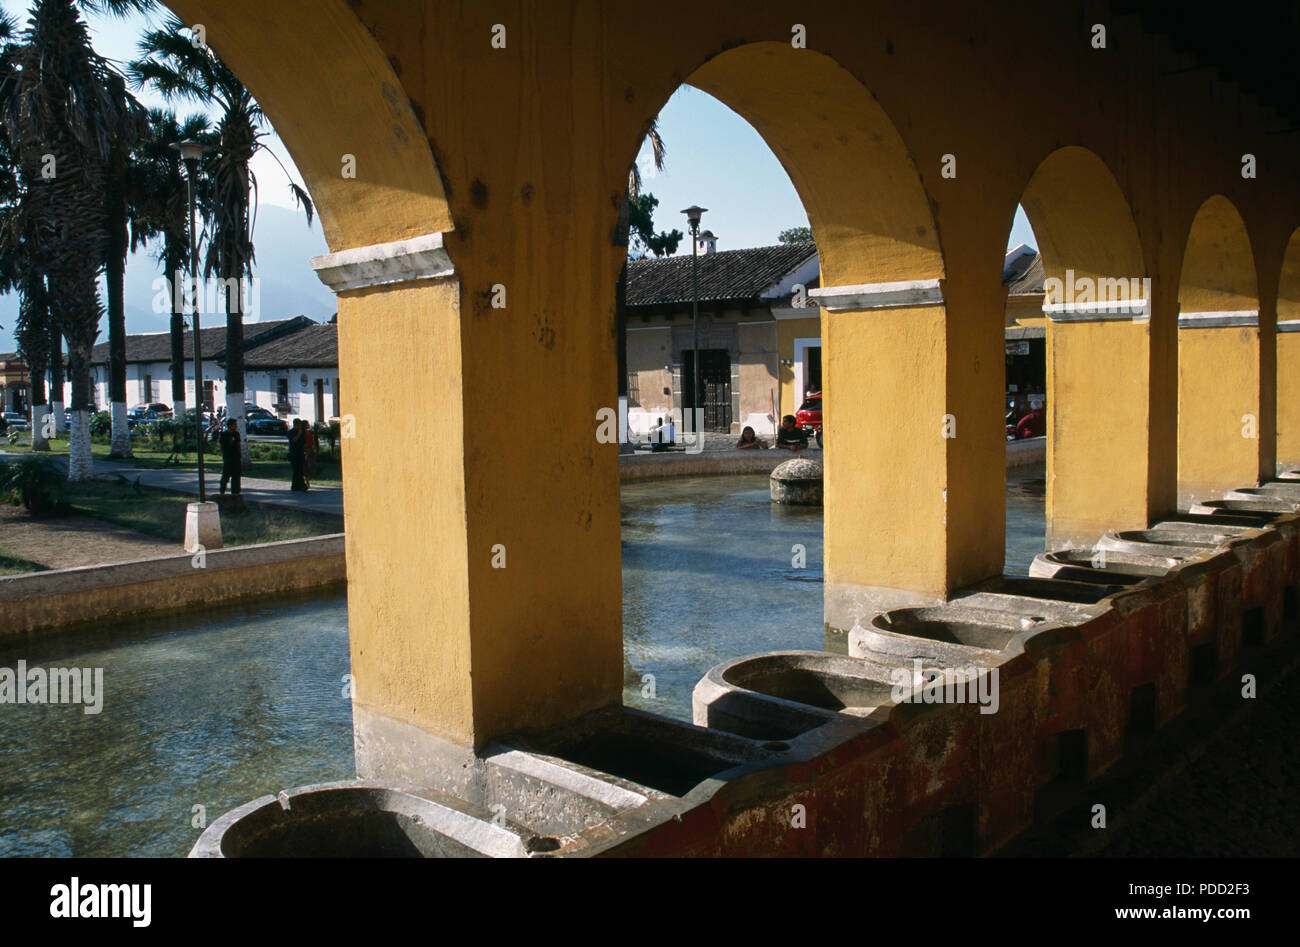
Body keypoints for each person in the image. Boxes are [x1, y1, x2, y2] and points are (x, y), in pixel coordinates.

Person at [218, 419, 242, 496]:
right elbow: (221, 446)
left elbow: (238, 444)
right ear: (230, 425)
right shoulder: (224, 434)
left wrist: (239, 454)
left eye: (236, 424)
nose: (235, 426)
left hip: (236, 457)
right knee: (226, 475)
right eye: (234, 424)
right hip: (228, 457)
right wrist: (224, 455)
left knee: (236, 475)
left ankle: (236, 492)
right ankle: (222, 490)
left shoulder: (236, 434)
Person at [288, 419, 307, 491]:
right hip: (293, 454)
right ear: (295, 425)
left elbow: (304, 443)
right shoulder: (291, 432)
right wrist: (298, 434)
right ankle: (300, 485)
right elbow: (293, 440)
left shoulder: (302, 433)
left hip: (300, 453)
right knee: (296, 471)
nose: (299, 427)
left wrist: (305, 452)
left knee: (300, 470)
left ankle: (296, 486)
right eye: (298, 425)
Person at [303, 421, 319, 490]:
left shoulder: (310, 432)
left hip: (310, 449)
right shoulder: (302, 433)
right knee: (306, 466)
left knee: (311, 466)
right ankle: (306, 481)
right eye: (307, 424)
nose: (309, 425)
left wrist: (314, 448)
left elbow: (313, 441)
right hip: (306, 450)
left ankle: (307, 480)